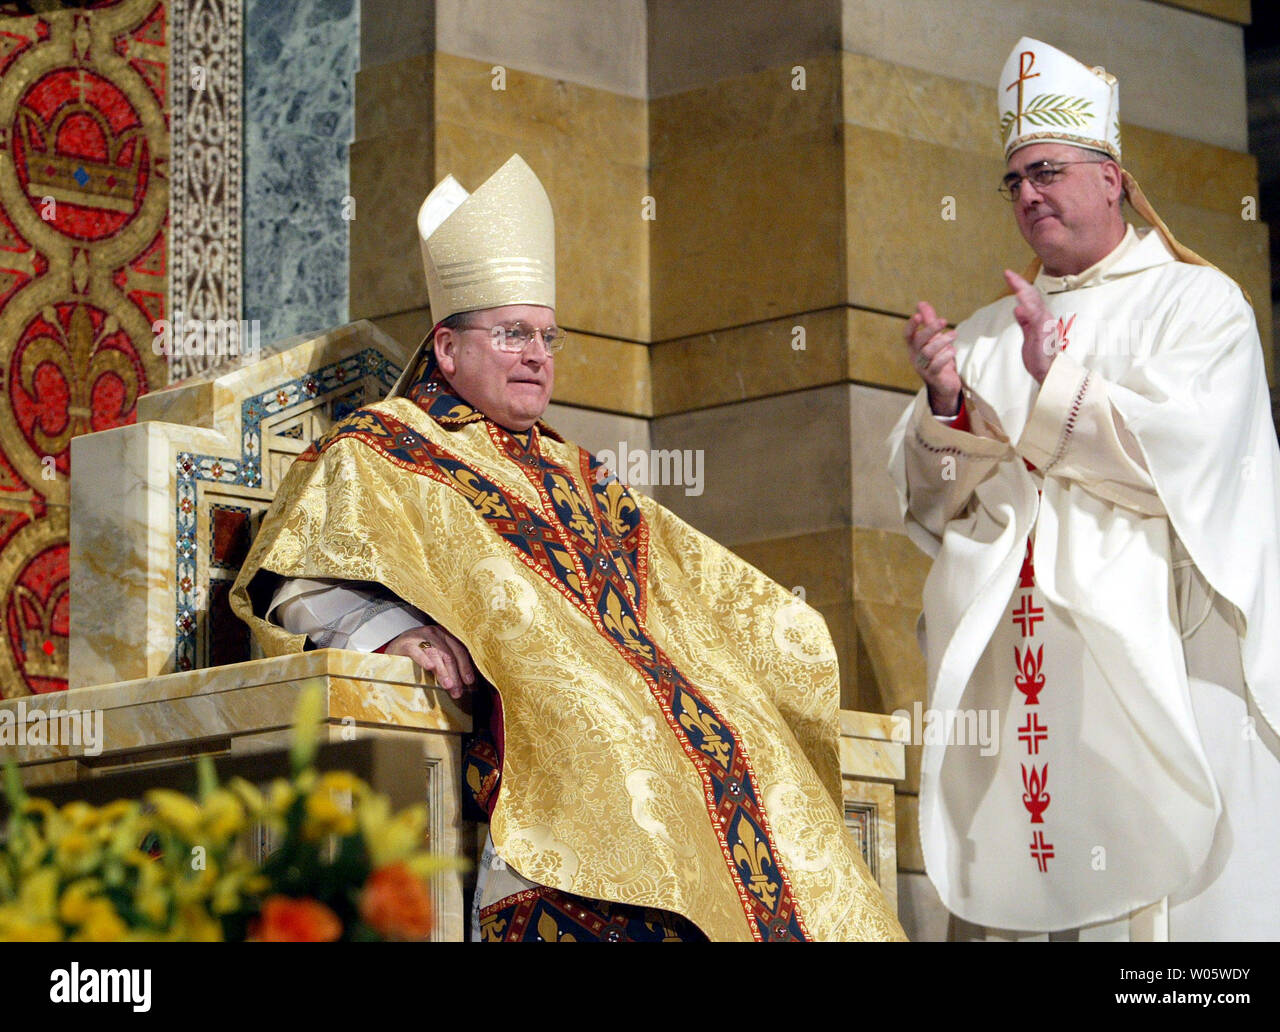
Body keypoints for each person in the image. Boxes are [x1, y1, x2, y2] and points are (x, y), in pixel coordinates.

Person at [232, 154, 904, 942]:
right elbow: (301, 574)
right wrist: (388, 632)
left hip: (661, 730)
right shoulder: (380, 448)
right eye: (514, 335)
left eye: (549, 337)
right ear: (447, 350)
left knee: (745, 739)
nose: (538, 357)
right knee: (626, 756)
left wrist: (769, 645)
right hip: (560, 745)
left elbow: (685, 588)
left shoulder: (576, 469)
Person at [888, 37, 1280, 941]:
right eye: (1014, 180)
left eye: (1048, 171)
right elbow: (927, 501)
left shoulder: (1198, 306)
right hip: (1028, 684)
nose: (1029, 194)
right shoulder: (990, 326)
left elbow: (1185, 459)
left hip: (1168, 664)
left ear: (1111, 177)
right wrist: (949, 401)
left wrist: (1055, 387)